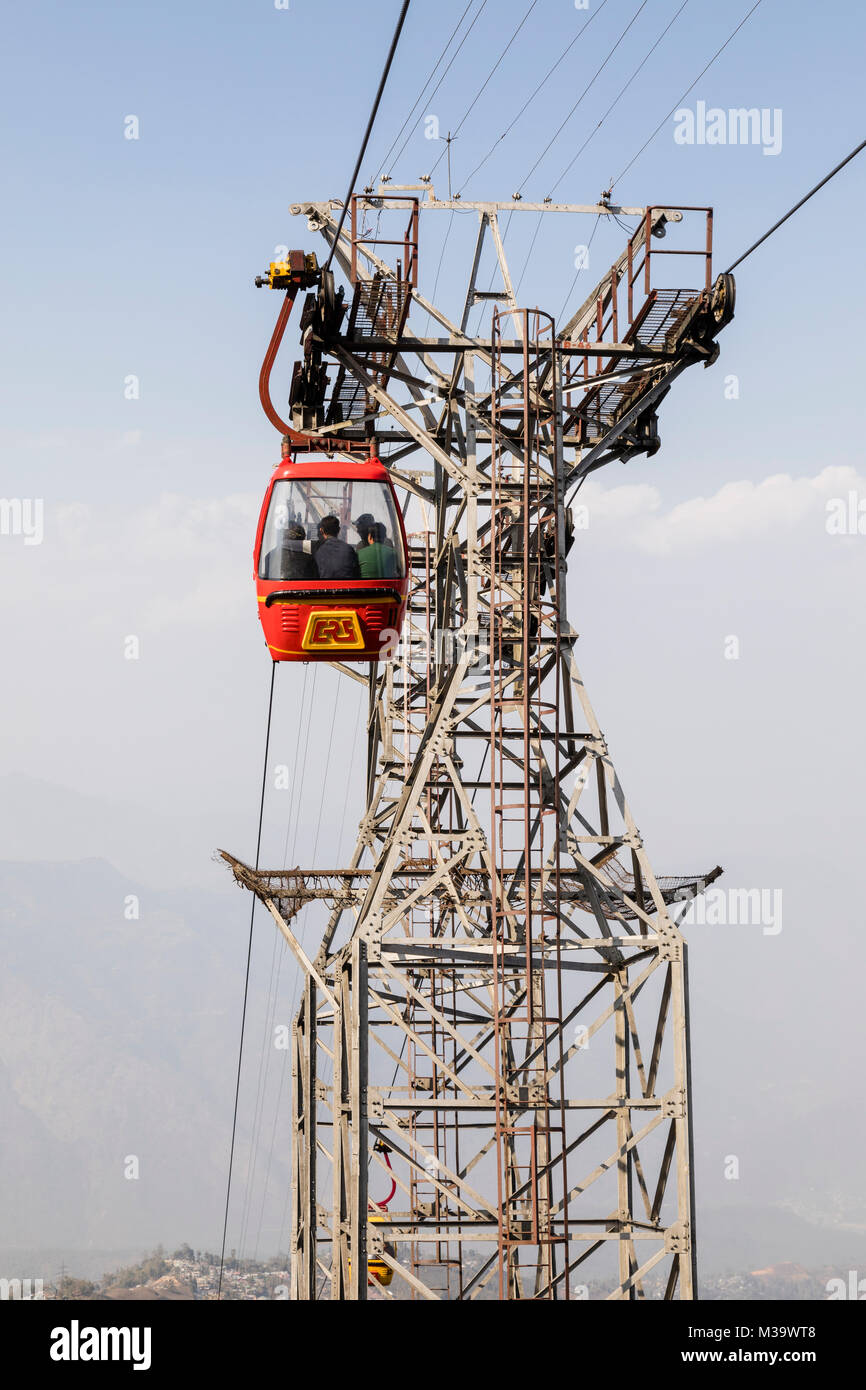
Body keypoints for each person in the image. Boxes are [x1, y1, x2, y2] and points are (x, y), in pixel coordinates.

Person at [314, 515, 361, 580]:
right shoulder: (349, 549)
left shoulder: (318, 551)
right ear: (339, 530)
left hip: (326, 588)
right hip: (346, 588)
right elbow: (357, 574)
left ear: (322, 531)